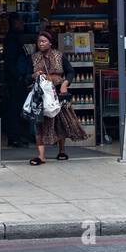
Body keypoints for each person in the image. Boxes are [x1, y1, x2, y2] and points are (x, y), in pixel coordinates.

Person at [29, 29, 87, 164]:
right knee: (39, 124)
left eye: (44, 41)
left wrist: (65, 84)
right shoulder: (33, 58)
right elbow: (25, 76)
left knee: (60, 122)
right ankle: (41, 156)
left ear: (50, 43)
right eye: (39, 42)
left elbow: (70, 71)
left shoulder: (59, 56)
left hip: (58, 93)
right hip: (41, 94)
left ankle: (62, 150)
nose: (41, 44)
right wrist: (33, 75)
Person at [1, 15, 32, 147]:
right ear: (15, 22)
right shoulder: (13, 40)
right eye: (20, 21)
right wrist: (19, 77)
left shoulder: (13, 38)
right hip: (16, 81)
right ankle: (15, 137)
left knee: (17, 107)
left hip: (16, 79)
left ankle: (17, 136)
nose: (23, 24)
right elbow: (10, 62)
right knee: (16, 108)